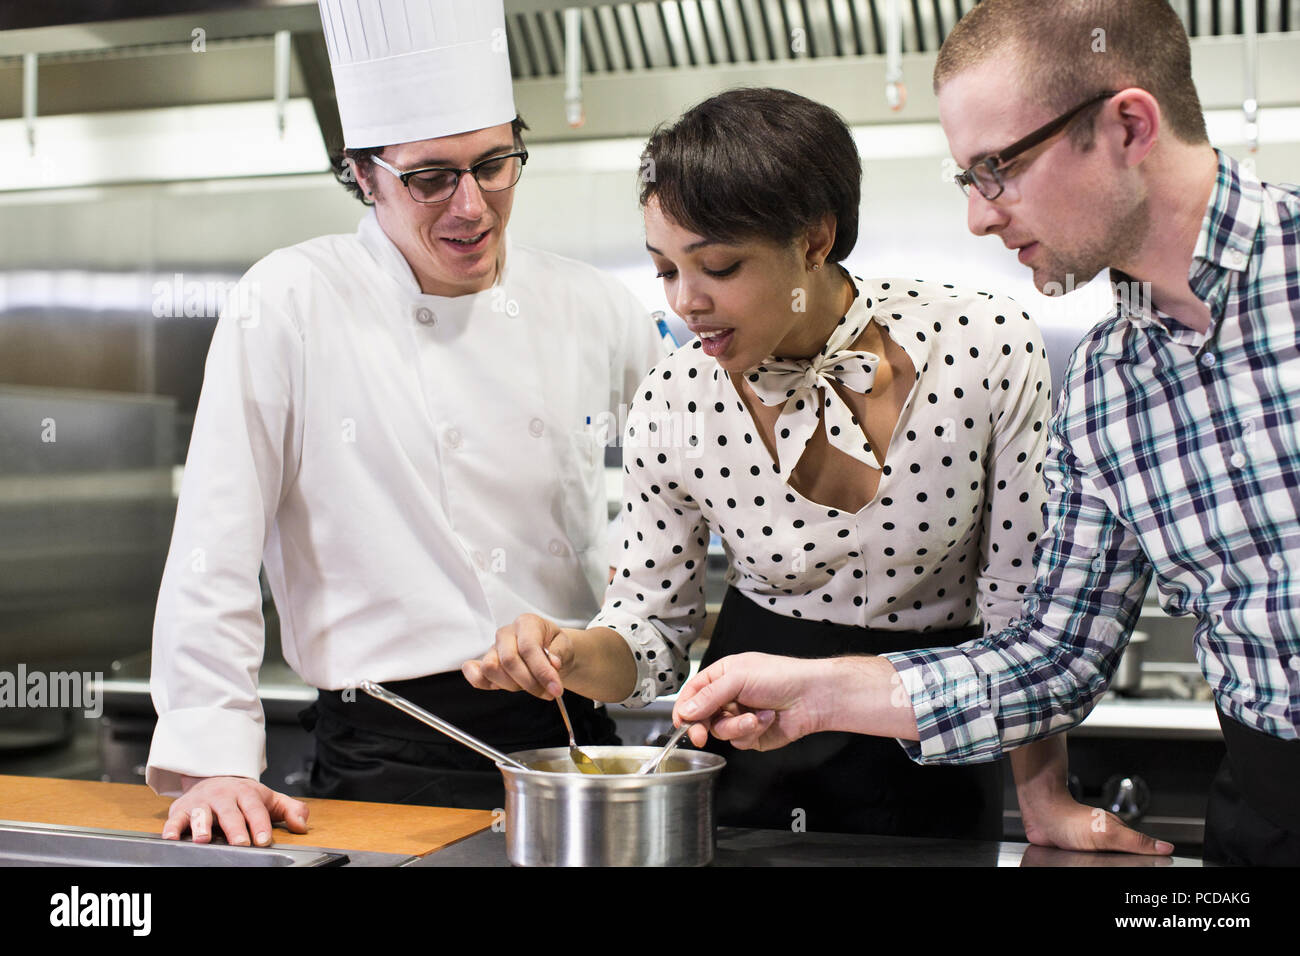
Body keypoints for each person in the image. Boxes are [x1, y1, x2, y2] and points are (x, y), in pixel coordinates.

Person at [672, 0, 1299, 865]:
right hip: (1266, 821)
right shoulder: (1108, 386)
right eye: (966, 180)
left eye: (996, 169)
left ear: (1127, 126)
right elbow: (1053, 657)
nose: (979, 216)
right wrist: (816, 692)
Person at [464, 87, 1161, 850]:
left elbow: (1018, 614)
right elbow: (650, 634)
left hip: (934, 726)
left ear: (814, 241)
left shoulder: (983, 345)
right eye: (665, 271)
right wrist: (570, 654)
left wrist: (1046, 801)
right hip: (752, 729)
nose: (686, 303)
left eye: (719, 266)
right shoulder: (675, 395)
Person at [147, 0, 662, 847]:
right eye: (432, 178)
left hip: (573, 734)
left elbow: (675, 500)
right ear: (363, 173)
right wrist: (214, 758)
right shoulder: (290, 300)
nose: (473, 205)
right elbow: (215, 536)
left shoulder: (596, 306)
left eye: (496, 164)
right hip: (389, 748)